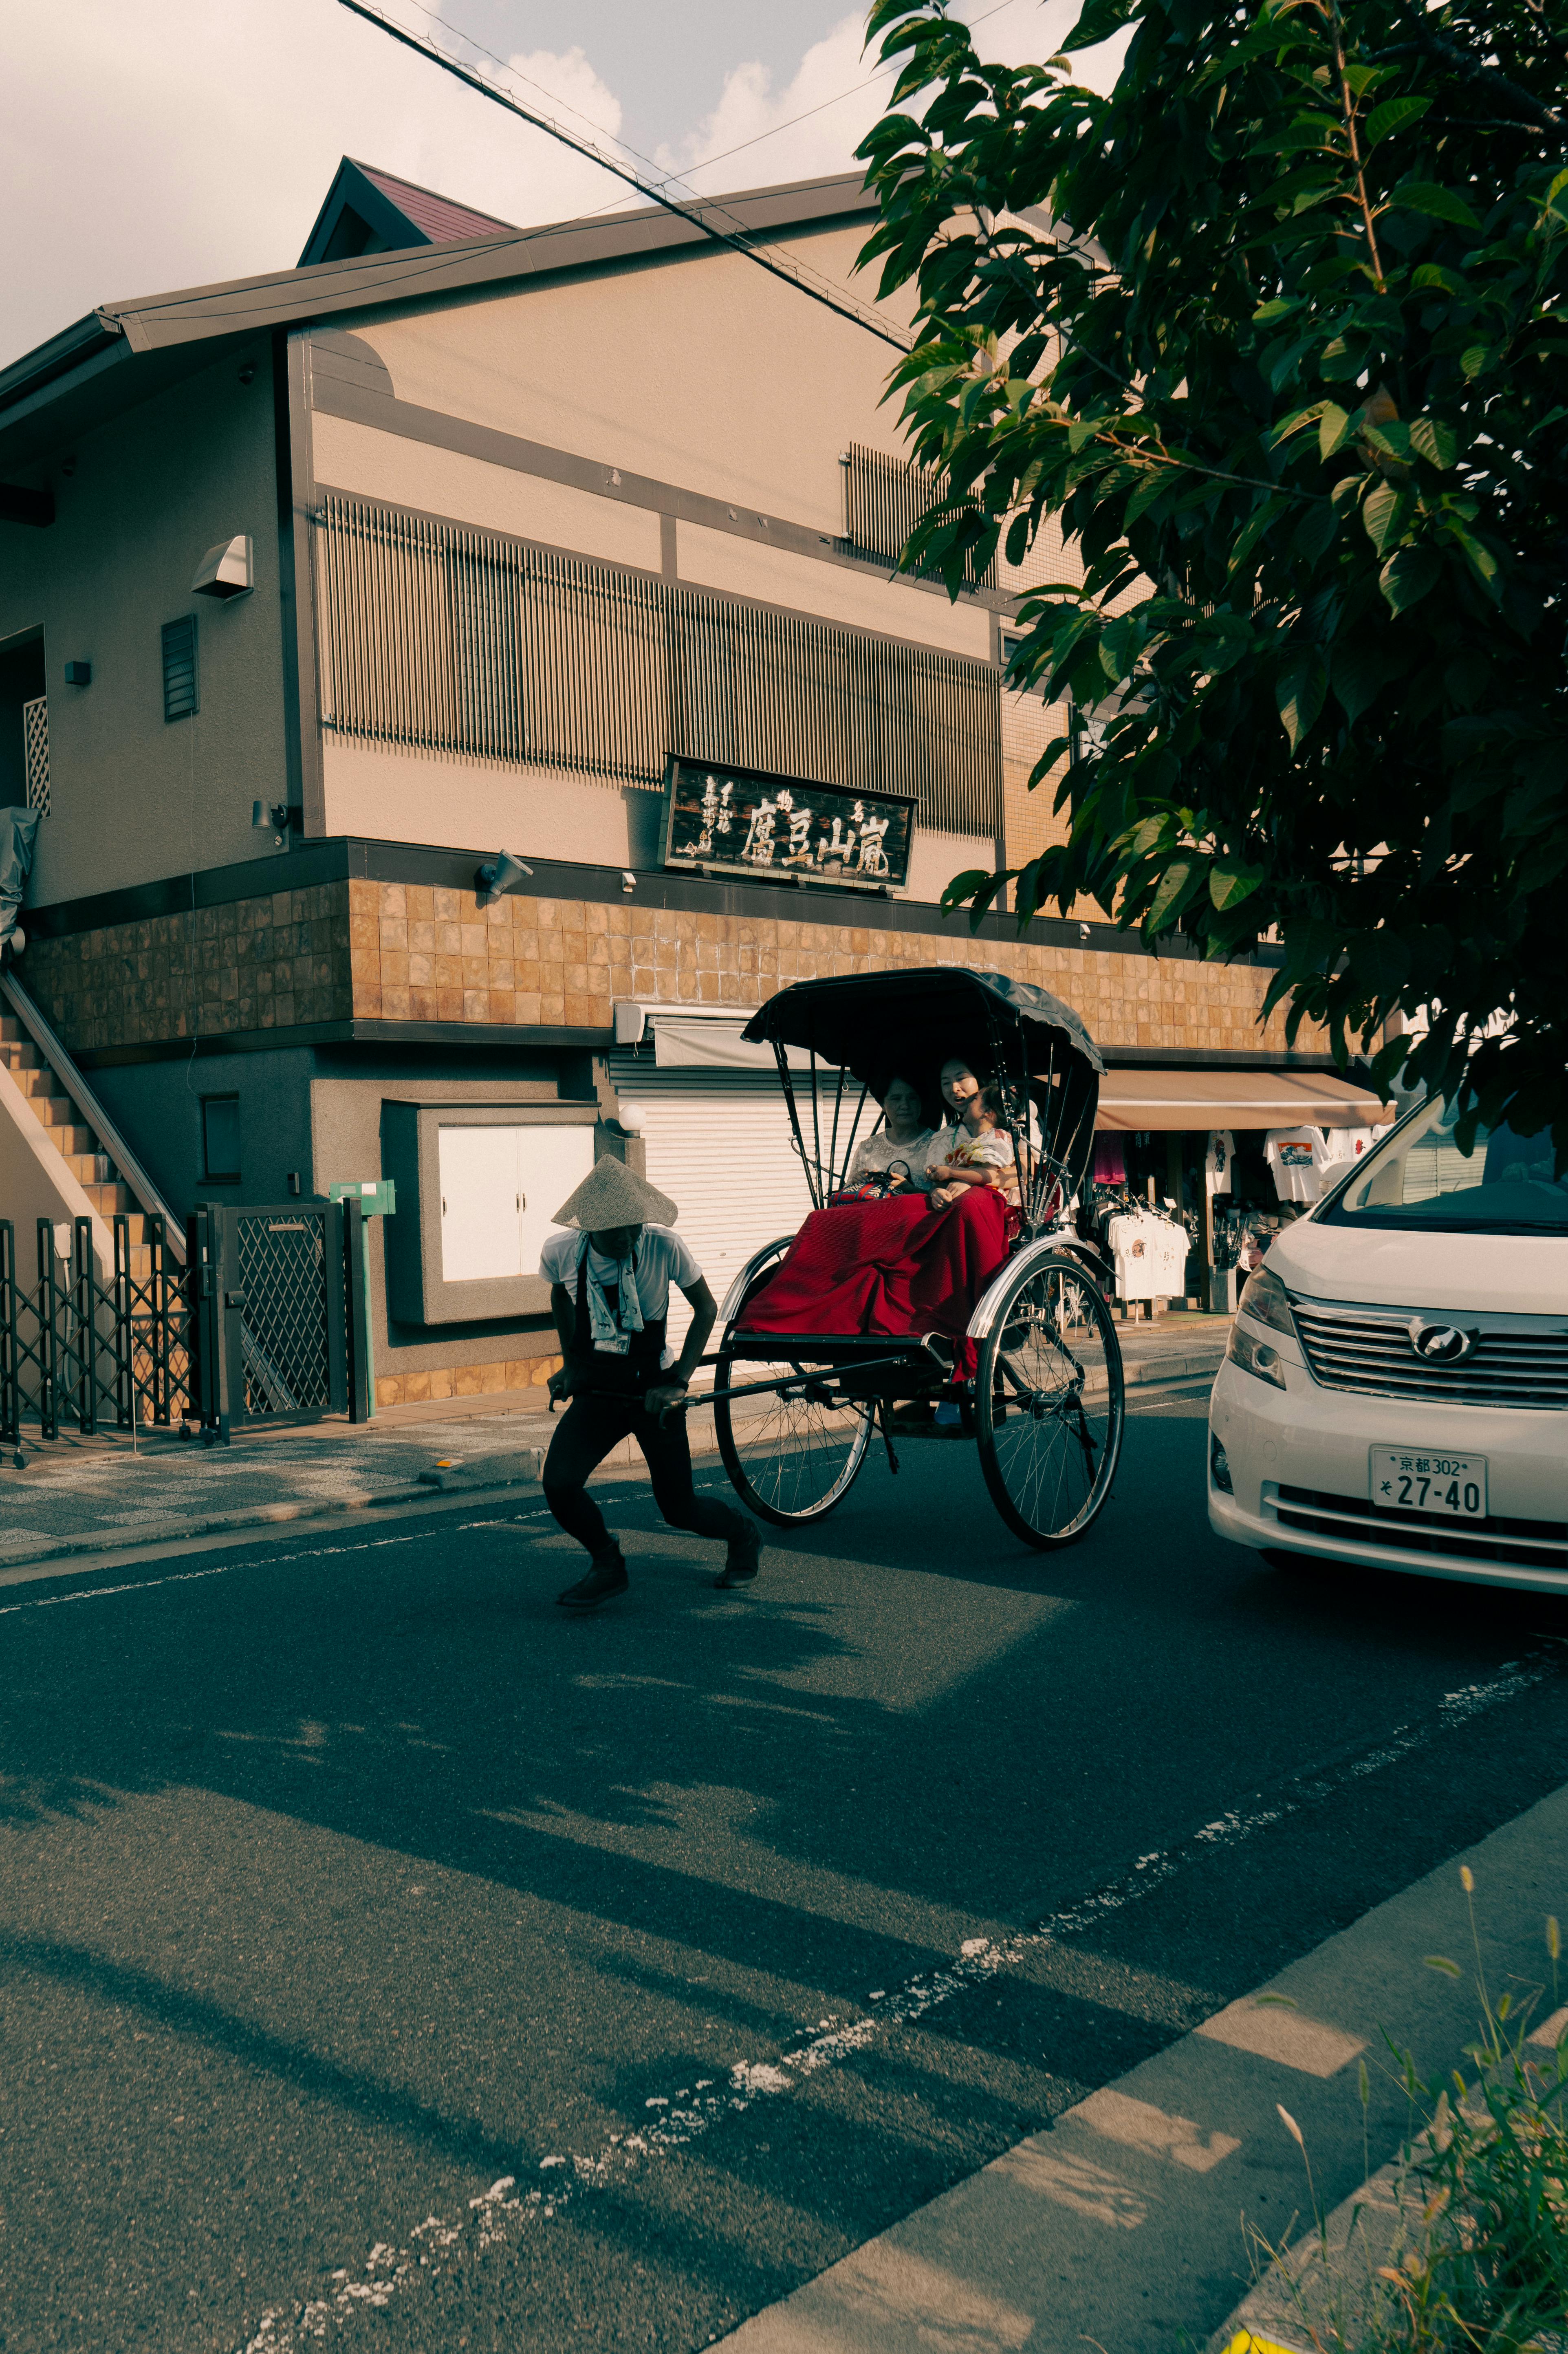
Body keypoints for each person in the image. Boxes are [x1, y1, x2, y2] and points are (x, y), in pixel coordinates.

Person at [539, 1156, 762, 1611]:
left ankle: (742, 1533)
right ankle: (607, 1563)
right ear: (588, 1227)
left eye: (633, 1226)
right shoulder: (561, 1250)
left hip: (653, 1390)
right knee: (559, 1484)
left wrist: (679, 1382)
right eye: (613, 1230)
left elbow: (705, 1309)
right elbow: (560, 1297)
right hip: (598, 1389)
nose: (625, 1237)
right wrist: (570, 1364)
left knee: (679, 1510)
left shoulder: (664, 1245)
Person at [926, 1063, 1018, 1208]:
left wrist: (964, 1177)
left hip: (995, 1203)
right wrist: (937, 1191)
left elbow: (1023, 1174)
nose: (954, 1089)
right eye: (946, 1083)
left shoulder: (1005, 1131)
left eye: (961, 1078)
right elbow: (938, 1183)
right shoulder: (944, 1137)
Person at [846, 1074, 934, 1191]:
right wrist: (857, 1181)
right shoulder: (868, 1147)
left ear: (921, 1102)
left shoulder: (939, 1142)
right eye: (896, 1099)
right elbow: (849, 1195)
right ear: (883, 1105)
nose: (905, 1106)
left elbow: (949, 1198)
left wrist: (910, 1189)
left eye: (912, 1098)